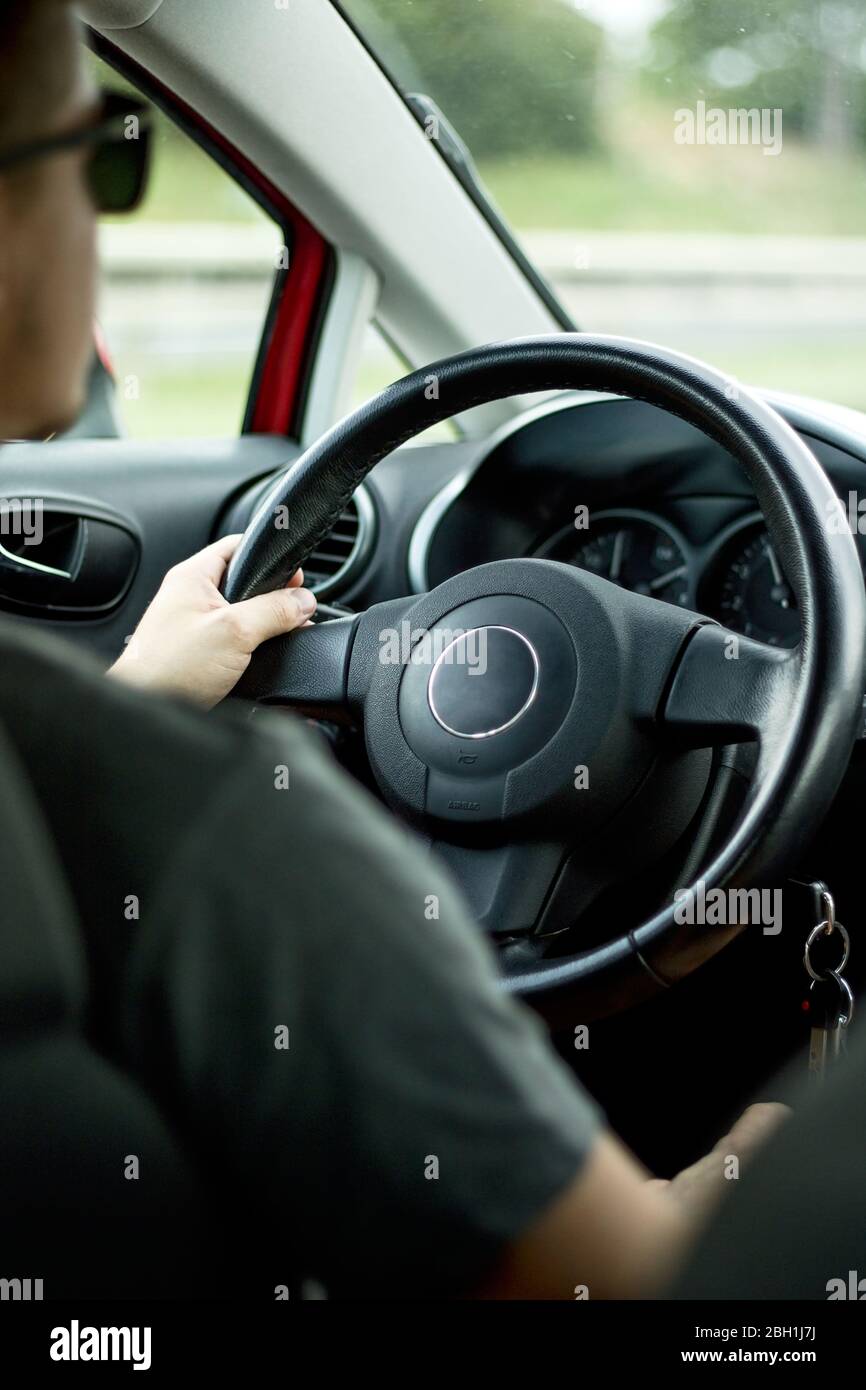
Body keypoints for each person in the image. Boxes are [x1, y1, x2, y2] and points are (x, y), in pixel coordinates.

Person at [0, 0, 784, 1300]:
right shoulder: (193, 821)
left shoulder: (76, 785)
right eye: (105, 152)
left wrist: (129, 698)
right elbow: (625, 1291)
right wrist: (783, 1153)